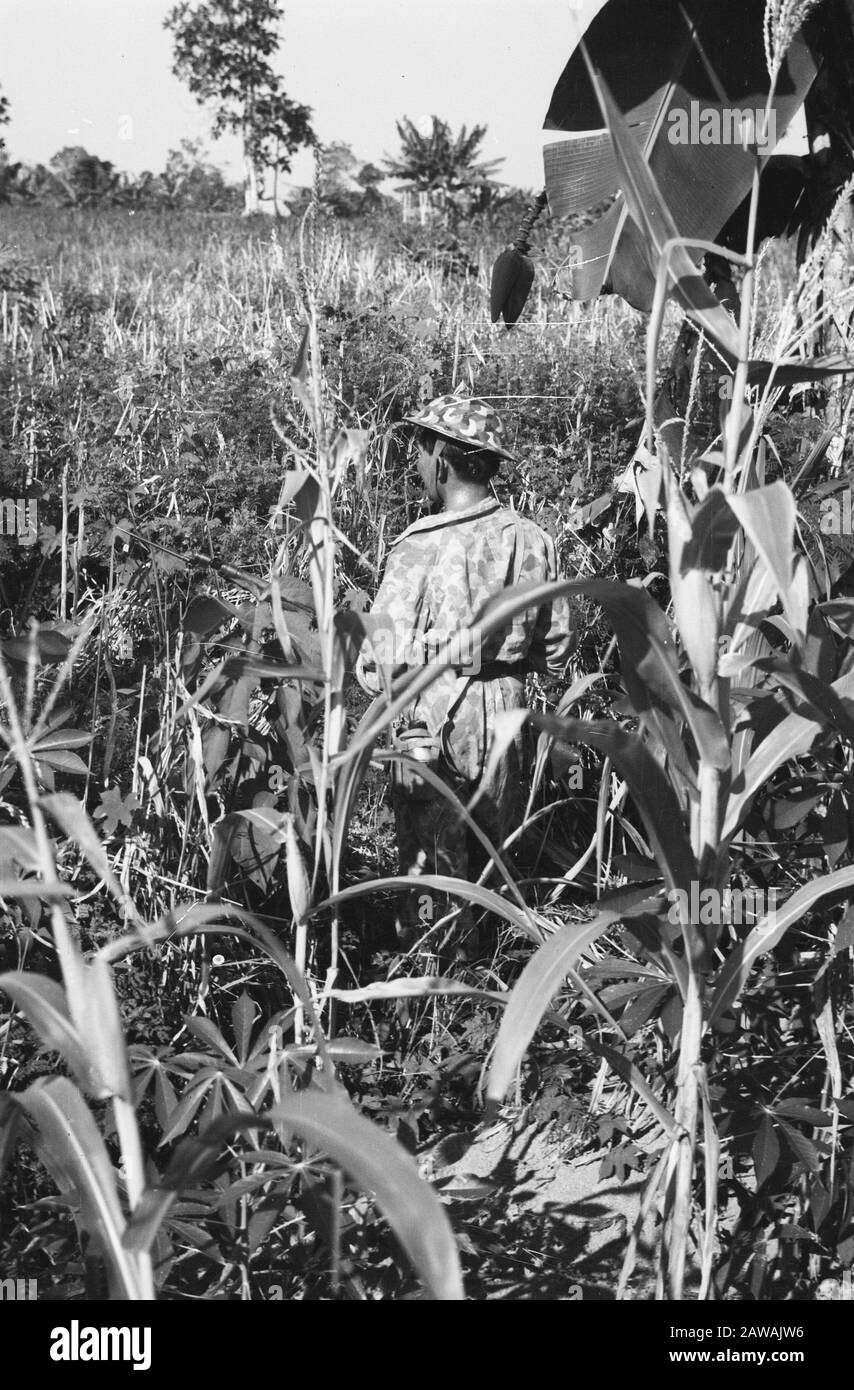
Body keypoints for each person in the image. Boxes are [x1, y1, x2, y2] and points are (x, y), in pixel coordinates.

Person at [356, 395, 575, 959]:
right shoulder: (532, 539)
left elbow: (378, 662)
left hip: (432, 711)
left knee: (431, 863)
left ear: (443, 459)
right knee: (494, 858)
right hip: (508, 708)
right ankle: (491, 981)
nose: (419, 463)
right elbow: (555, 647)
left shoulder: (418, 545)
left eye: (423, 450)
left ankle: (432, 994)